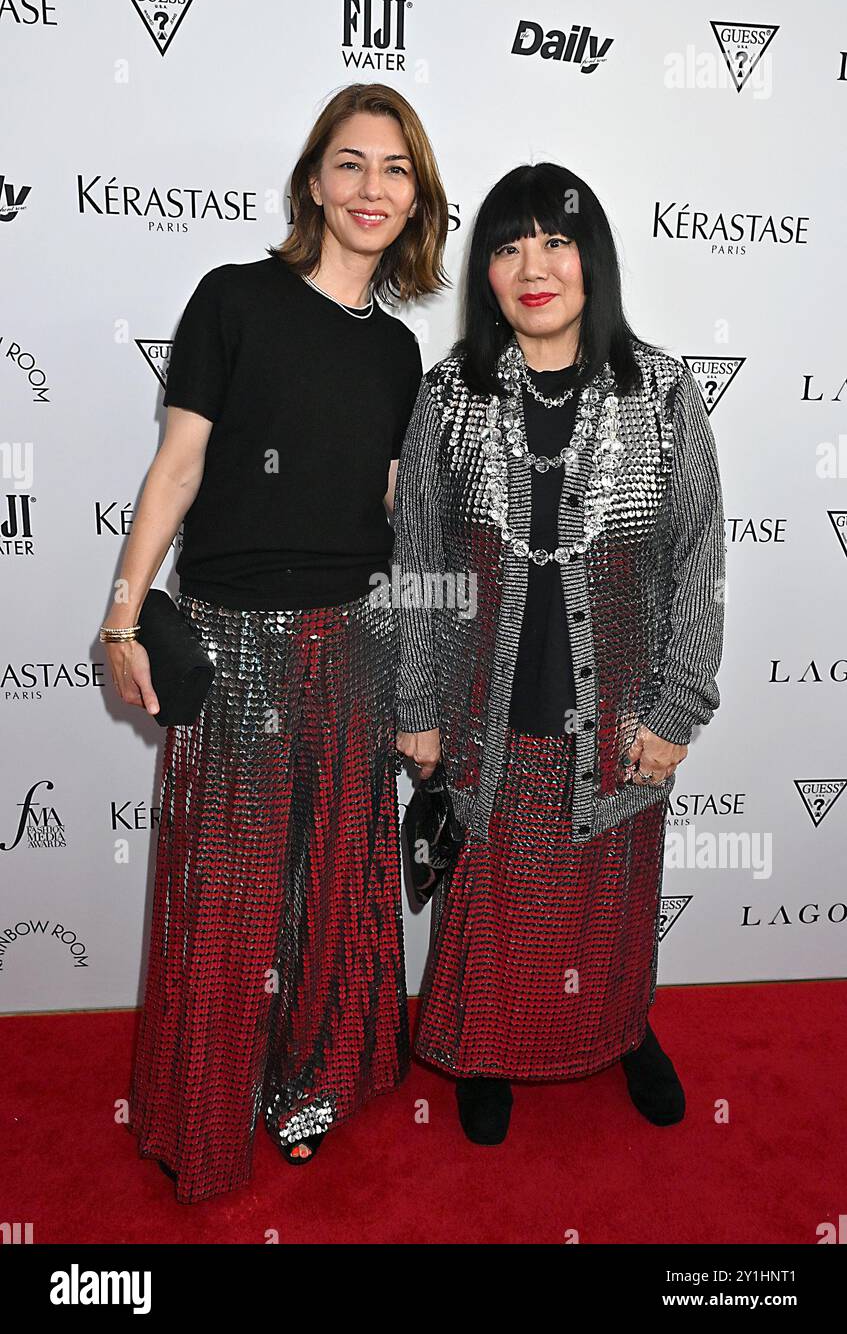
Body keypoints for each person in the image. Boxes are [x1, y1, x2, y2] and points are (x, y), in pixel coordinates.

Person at [101, 82, 449, 1202]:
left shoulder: (400, 354)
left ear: (416, 198)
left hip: (353, 641)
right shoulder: (233, 300)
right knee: (227, 892)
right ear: (313, 180)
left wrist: (425, 667)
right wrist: (121, 612)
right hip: (231, 640)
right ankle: (202, 1116)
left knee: (338, 885)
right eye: (350, 164)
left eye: (395, 170)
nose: (371, 189)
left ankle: (312, 1086)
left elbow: (398, 517)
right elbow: (180, 467)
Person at [393, 162, 726, 1144]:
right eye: (505, 246)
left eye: (554, 240)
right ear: (484, 272)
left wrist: (676, 711)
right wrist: (414, 705)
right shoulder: (450, 394)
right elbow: (419, 560)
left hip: (617, 717)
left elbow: (698, 557)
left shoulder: (660, 391)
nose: (531, 266)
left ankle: (624, 1029)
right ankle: (486, 1046)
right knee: (490, 902)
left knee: (612, 899)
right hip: (481, 711)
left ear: (594, 260)